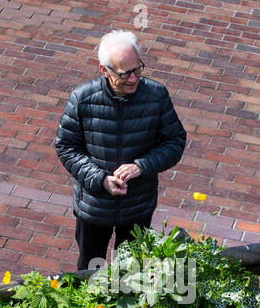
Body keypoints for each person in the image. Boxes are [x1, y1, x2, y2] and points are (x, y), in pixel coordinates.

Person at [54, 29, 187, 270]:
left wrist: (141, 166)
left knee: (130, 275)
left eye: (138, 69)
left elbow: (175, 142)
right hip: (94, 207)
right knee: (90, 270)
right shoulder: (82, 98)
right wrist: (100, 179)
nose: (133, 79)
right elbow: (66, 146)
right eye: (125, 73)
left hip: (138, 206)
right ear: (104, 70)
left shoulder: (156, 96)